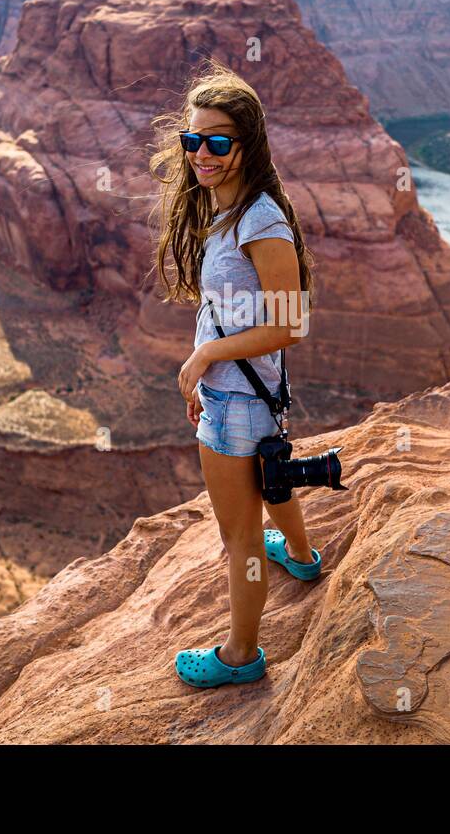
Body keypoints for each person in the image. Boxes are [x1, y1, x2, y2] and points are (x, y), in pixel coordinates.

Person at [149, 61, 323, 688]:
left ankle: (241, 655)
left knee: (240, 539)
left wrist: (204, 359)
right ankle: (302, 558)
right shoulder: (226, 207)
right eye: (191, 140)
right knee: (271, 488)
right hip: (244, 394)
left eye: (218, 142)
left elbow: (290, 324)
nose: (201, 153)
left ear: (247, 144)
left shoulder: (259, 220)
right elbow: (230, 309)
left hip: (237, 401)